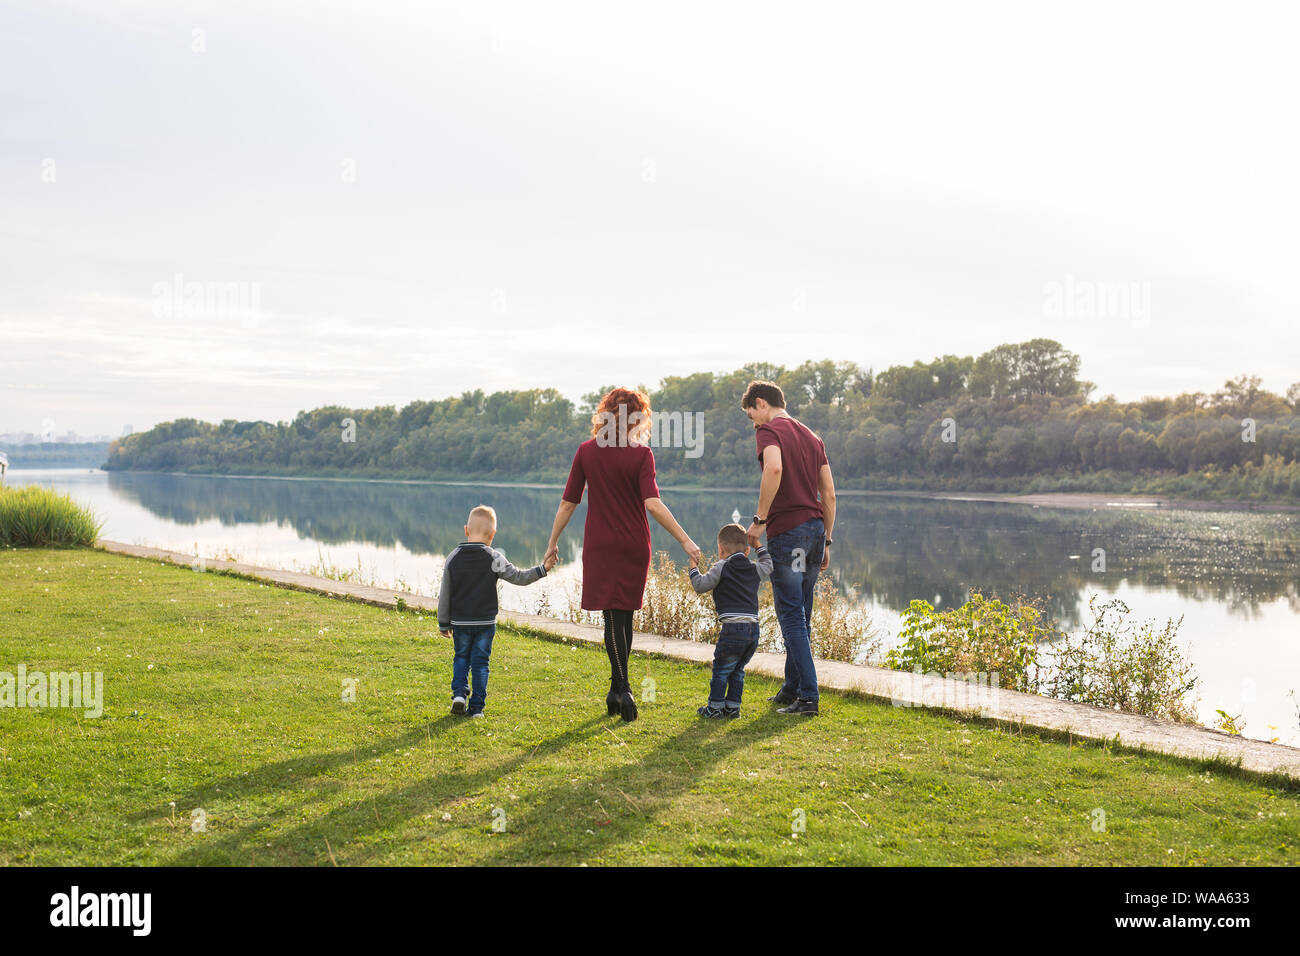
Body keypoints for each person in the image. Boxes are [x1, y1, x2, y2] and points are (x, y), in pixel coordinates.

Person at [544, 387, 701, 722]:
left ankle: (620, 688)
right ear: (638, 418)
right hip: (633, 544)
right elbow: (653, 505)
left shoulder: (587, 452)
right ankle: (620, 689)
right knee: (622, 616)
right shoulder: (641, 455)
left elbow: (568, 502)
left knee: (617, 617)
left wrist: (553, 542)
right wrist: (685, 541)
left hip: (601, 545)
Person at [742, 380, 837, 716]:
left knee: (791, 615)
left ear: (761, 403)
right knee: (801, 613)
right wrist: (826, 540)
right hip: (813, 531)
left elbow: (774, 468)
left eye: (751, 414)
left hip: (788, 532)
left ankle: (809, 698)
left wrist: (760, 520)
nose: (753, 423)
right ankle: (792, 688)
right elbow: (829, 494)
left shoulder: (769, 431)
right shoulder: (813, 437)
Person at [437, 505, 556, 717]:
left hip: (461, 623)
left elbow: (445, 592)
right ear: (492, 535)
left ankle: (459, 695)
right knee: (481, 663)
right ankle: (477, 709)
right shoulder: (493, 557)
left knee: (461, 658)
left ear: (466, 530)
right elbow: (519, 577)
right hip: (485, 623)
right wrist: (542, 569)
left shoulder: (453, 557)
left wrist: (444, 622)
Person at [688, 522, 773, 718]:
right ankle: (732, 708)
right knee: (738, 670)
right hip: (753, 630)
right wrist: (759, 543)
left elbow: (700, 585)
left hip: (732, 630)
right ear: (748, 550)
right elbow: (769, 565)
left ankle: (715, 709)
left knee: (721, 670)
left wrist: (693, 567)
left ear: (721, 549)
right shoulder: (754, 567)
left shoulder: (721, 566)